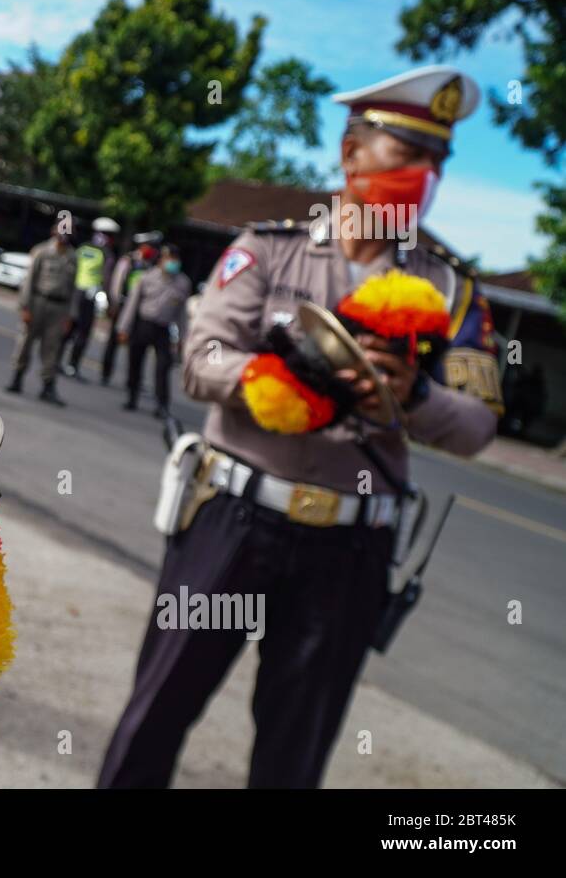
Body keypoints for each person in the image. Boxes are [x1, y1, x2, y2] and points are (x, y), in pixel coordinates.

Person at [98, 66, 503, 789]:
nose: (423, 175)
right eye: (404, 153)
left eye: (436, 162)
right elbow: (202, 356)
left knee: (293, 757)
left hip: (350, 548)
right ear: (351, 153)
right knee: (155, 716)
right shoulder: (267, 246)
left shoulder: (451, 290)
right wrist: (280, 381)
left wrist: (408, 398)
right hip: (233, 517)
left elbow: (476, 424)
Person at [6, 216, 78, 406]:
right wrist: (25, 307)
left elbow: (73, 290)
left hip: (59, 308)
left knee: (52, 348)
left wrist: (70, 315)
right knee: (26, 341)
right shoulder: (42, 251)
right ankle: (17, 378)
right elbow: (29, 281)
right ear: (54, 231)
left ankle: (48, 386)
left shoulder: (73, 257)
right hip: (38, 302)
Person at [117, 243, 192, 418]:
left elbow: (182, 314)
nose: (172, 262)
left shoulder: (183, 283)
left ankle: (162, 404)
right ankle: (132, 396)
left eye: (175, 259)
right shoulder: (146, 277)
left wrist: (183, 337)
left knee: (163, 367)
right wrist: (123, 328)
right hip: (143, 324)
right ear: (161, 260)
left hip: (163, 328)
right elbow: (132, 304)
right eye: (168, 258)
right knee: (135, 362)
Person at [62, 216, 120, 381]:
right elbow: (107, 280)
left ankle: (58, 362)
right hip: (88, 298)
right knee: (83, 333)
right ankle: (72, 365)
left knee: (68, 329)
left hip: (74, 293)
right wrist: (110, 302)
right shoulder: (106, 254)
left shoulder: (83, 248)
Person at [101, 234, 159, 386]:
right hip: (123, 305)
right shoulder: (129, 260)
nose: (151, 250)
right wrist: (113, 303)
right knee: (113, 341)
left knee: (137, 346)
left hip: (139, 310)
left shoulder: (152, 265)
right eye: (149, 246)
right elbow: (117, 282)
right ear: (141, 246)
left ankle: (133, 381)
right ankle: (106, 373)